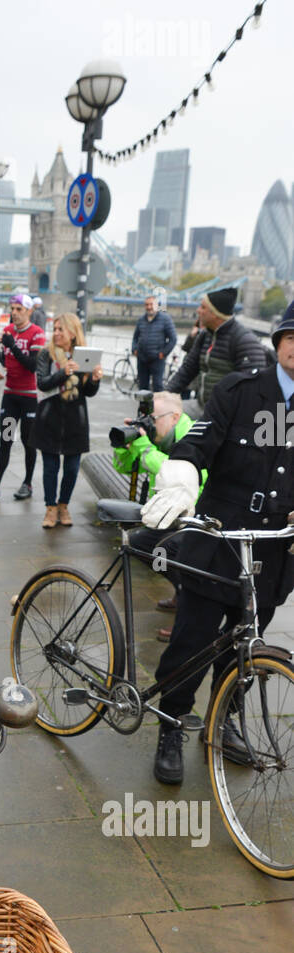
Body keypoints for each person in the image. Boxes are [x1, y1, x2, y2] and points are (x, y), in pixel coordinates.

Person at [141, 301, 294, 784]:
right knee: (191, 640)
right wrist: (182, 476)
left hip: (272, 552)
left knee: (246, 646)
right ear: (279, 343)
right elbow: (195, 444)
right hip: (219, 539)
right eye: (293, 337)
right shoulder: (241, 390)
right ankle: (171, 724)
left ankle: (224, 719)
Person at [112, 391, 206, 641]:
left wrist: (144, 447)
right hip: (167, 513)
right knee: (140, 544)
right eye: (148, 418)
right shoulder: (159, 436)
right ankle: (180, 587)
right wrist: (124, 446)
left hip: (194, 514)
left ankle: (188, 615)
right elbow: (123, 468)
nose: (151, 423)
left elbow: (175, 473)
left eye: (155, 418)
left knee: (171, 551)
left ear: (175, 416)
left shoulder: (195, 437)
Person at [31, 313, 102, 527]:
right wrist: (63, 372)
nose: (56, 333)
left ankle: (64, 505)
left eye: (61, 329)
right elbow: (42, 383)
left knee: (72, 468)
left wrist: (95, 380)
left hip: (75, 421)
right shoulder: (46, 354)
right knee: (50, 467)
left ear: (73, 333)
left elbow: (87, 392)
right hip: (49, 418)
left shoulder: (84, 356)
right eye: (55, 329)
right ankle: (50, 508)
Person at [0, 293, 45, 501]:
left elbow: (32, 365)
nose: (14, 313)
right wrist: (0, 368)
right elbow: (6, 360)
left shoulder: (37, 334)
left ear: (29, 311)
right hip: (10, 397)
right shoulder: (7, 331)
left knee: (28, 441)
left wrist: (13, 346)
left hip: (29, 398)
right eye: (12, 309)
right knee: (6, 439)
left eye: (19, 310)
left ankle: (27, 483)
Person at [166, 287, 268, 407]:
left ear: (215, 314)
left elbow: (252, 389)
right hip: (203, 406)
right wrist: (165, 395)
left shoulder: (244, 340)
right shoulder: (205, 336)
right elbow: (187, 371)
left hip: (227, 415)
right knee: (161, 416)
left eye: (203, 307)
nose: (198, 310)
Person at [131, 295, 177, 393]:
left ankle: (156, 408)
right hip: (142, 358)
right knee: (142, 387)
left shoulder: (165, 319)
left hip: (157, 359)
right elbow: (135, 337)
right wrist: (134, 349)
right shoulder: (141, 320)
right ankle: (144, 408)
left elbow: (173, 339)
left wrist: (163, 353)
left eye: (151, 304)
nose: (149, 307)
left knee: (157, 386)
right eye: (146, 305)